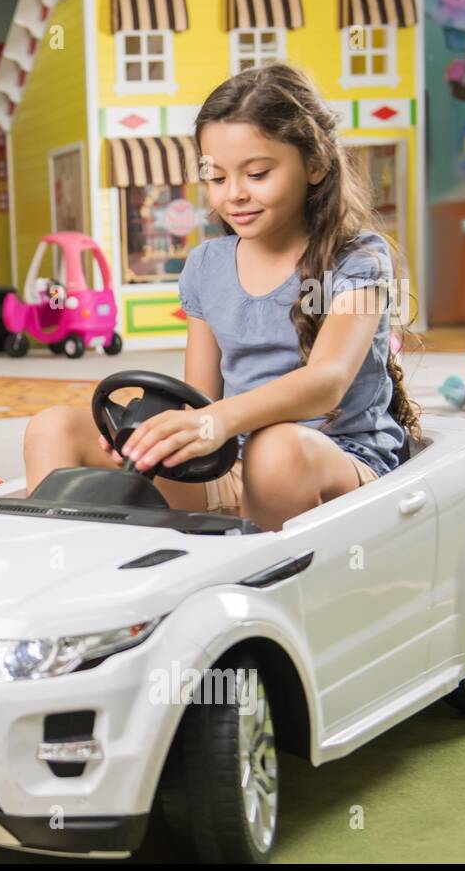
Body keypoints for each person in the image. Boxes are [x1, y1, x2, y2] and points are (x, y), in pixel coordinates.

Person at [24, 63, 421, 531]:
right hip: (229, 457)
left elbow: (327, 380)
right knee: (54, 427)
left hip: (335, 459)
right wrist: (147, 432)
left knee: (275, 451)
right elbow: (200, 399)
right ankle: (62, 572)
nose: (234, 195)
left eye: (257, 174)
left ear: (315, 164)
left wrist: (218, 421)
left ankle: (264, 585)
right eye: (216, 178)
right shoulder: (206, 265)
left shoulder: (358, 259)